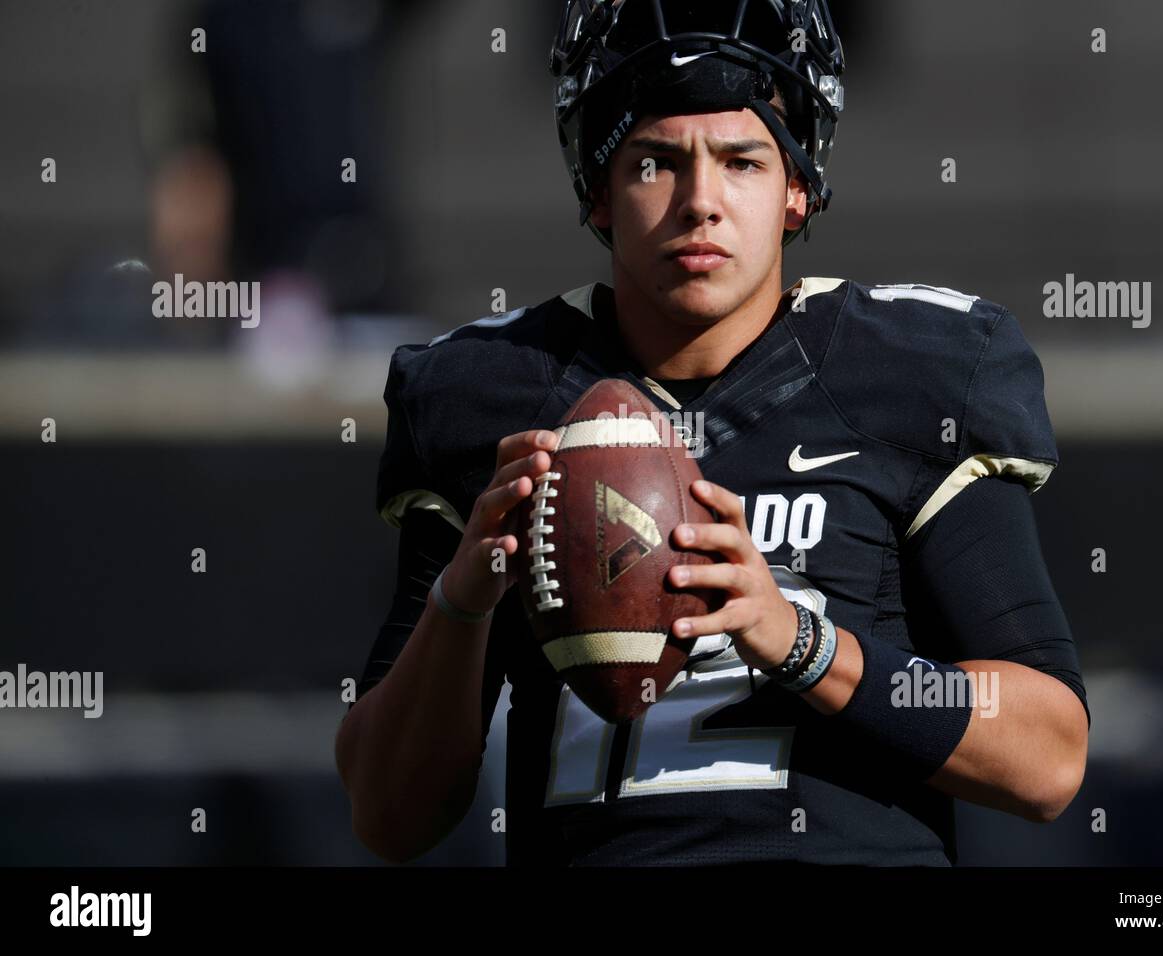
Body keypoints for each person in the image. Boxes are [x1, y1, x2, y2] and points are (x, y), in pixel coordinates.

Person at [335, 0, 1089, 866]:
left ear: (797, 188)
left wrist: (802, 643)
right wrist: (460, 606)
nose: (701, 203)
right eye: (656, 162)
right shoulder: (495, 399)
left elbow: (1048, 752)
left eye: (742, 161)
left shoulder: (911, 377)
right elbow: (386, 817)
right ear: (597, 192)